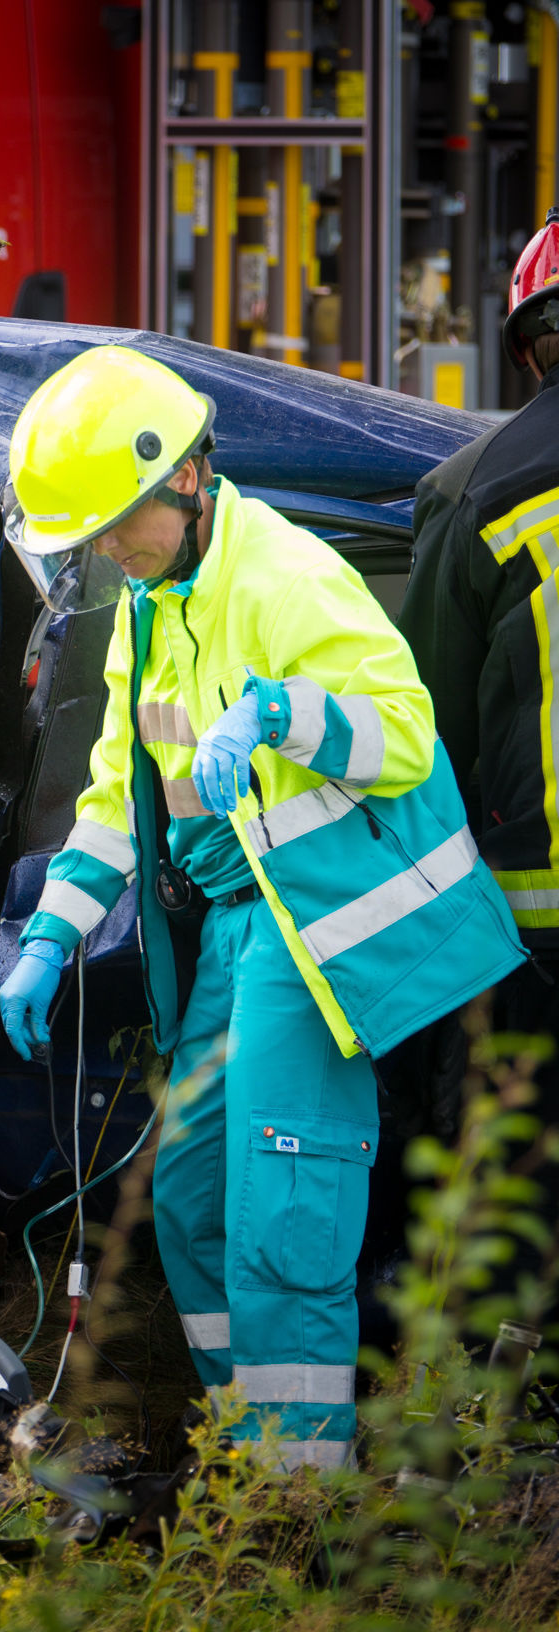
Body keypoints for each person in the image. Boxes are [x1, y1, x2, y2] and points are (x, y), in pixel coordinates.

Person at [0, 345, 524, 1470]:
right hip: (239, 933)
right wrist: (52, 930)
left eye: (113, 521)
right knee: (188, 1202)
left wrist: (281, 714)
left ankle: (297, 1504)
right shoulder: (153, 601)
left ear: (185, 479)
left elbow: (404, 735)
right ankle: (253, 1449)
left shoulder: (284, 578)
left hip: (312, 938)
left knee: (284, 1219)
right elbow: (115, 788)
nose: (102, 549)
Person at [400, 207, 559, 1252]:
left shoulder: (478, 493)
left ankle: (500, 1396)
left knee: (510, 1197)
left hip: (531, 934)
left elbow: (422, 735)